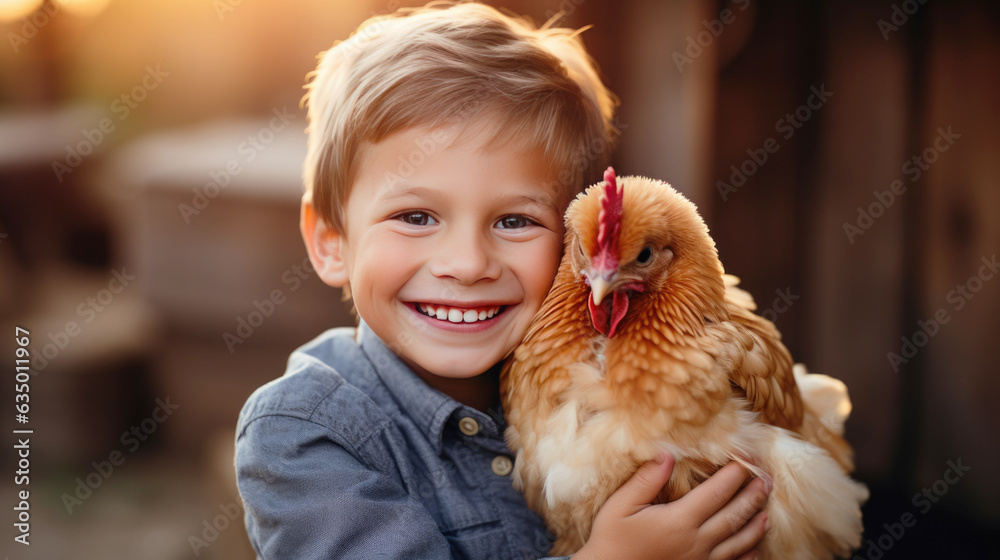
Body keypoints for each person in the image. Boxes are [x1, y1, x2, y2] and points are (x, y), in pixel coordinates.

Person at [235, 3, 771, 559]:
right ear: (330, 241)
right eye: (415, 217)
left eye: (515, 221)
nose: (468, 264)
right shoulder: (306, 435)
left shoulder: (610, 385)